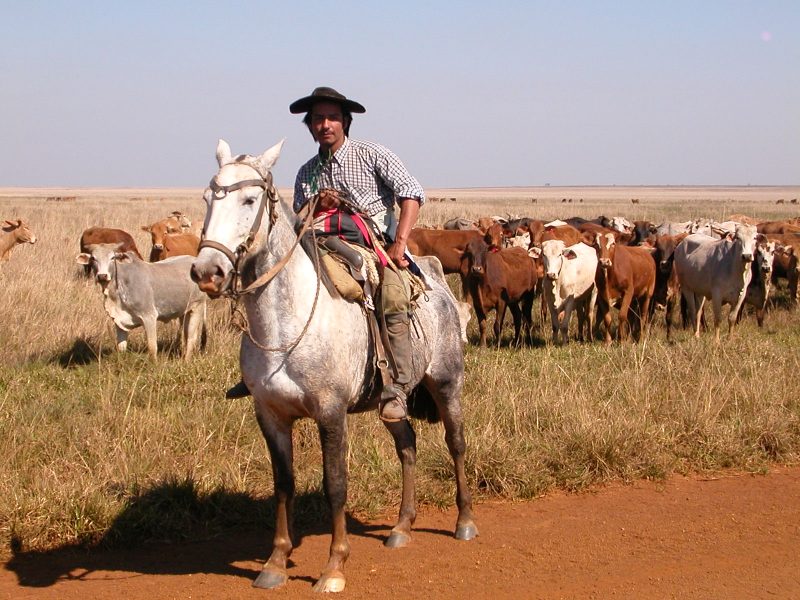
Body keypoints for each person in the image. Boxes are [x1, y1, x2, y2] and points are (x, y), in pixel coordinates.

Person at [289, 86, 425, 422]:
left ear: (345, 122)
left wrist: (400, 244)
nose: (325, 124)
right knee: (277, 285)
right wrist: (316, 205)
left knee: (392, 294)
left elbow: (411, 193)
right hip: (317, 242)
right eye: (318, 118)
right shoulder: (306, 172)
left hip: (372, 242)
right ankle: (263, 372)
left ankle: (397, 388)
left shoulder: (372, 154)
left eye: (332, 117)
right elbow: (296, 219)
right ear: (309, 126)